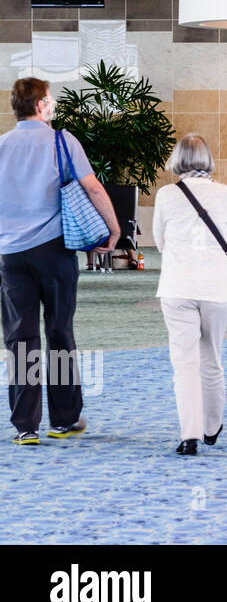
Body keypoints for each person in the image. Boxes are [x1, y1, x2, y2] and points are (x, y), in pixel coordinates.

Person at [0, 78, 118, 445]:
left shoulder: (1, 145)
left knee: (20, 339)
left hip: (11, 254)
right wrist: (113, 230)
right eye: (50, 101)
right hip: (54, 250)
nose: (53, 106)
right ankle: (64, 420)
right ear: (39, 105)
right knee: (59, 332)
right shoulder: (62, 141)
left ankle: (26, 426)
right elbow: (93, 187)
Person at [151, 134, 227, 456]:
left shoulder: (166, 195)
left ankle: (189, 436)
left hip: (177, 286)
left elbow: (160, 241)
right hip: (216, 287)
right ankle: (212, 427)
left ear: (177, 160)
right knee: (211, 358)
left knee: (184, 363)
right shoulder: (225, 193)